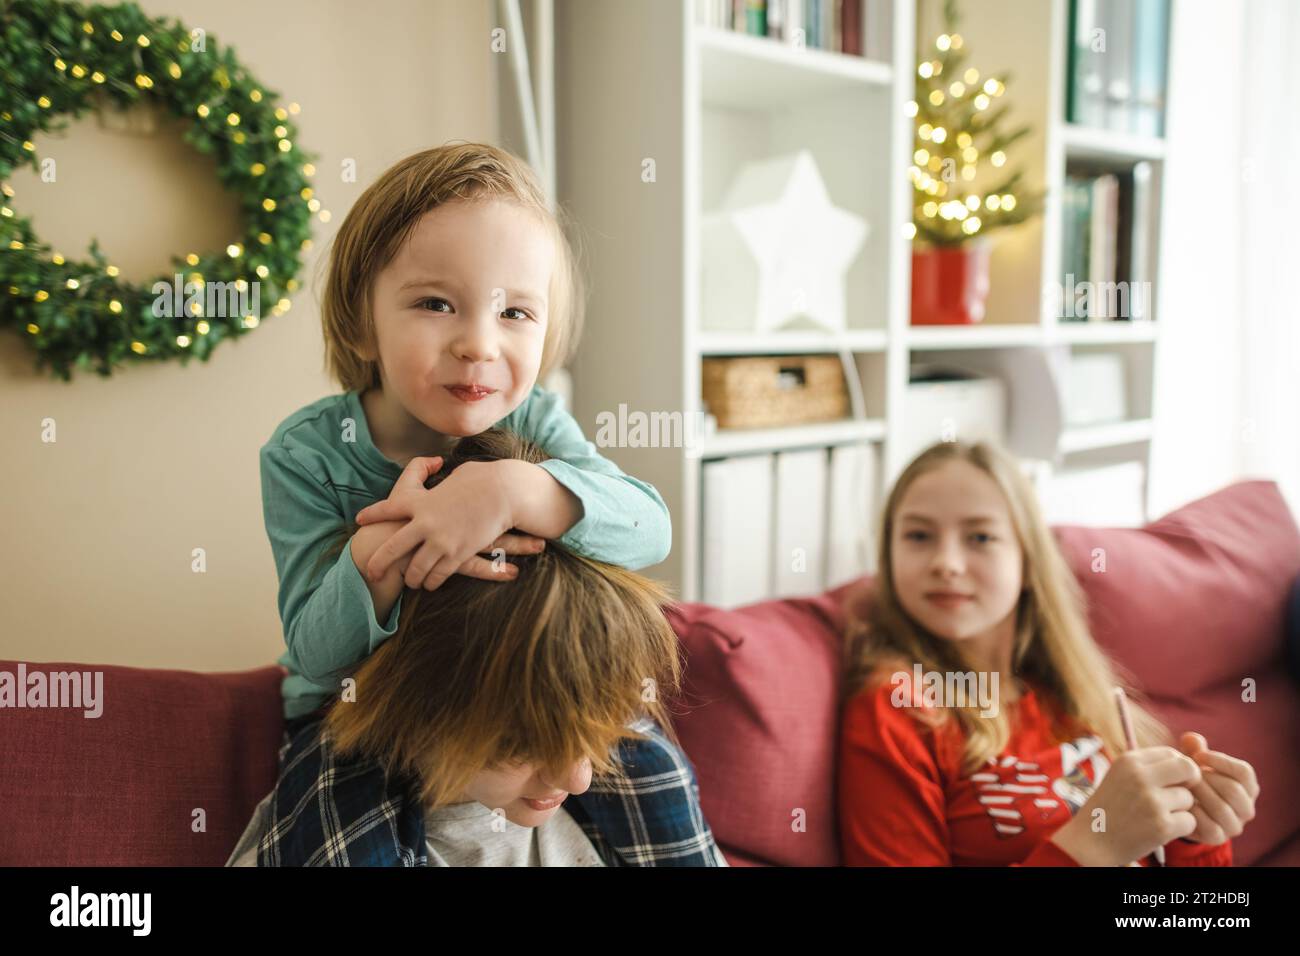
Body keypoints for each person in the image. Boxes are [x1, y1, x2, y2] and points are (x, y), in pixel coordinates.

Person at [228, 429, 724, 866]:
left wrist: (515, 490)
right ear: (415, 699)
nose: (578, 779)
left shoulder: (537, 411)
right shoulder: (335, 828)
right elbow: (317, 656)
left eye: (598, 732)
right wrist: (378, 553)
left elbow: (651, 525)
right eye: (519, 749)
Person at [838, 439, 1259, 867]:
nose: (946, 562)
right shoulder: (899, 709)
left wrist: (1196, 833)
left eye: (980, 537)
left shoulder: (1075, 696)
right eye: (919, 535)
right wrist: (1094, 845)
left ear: (1027, 562)